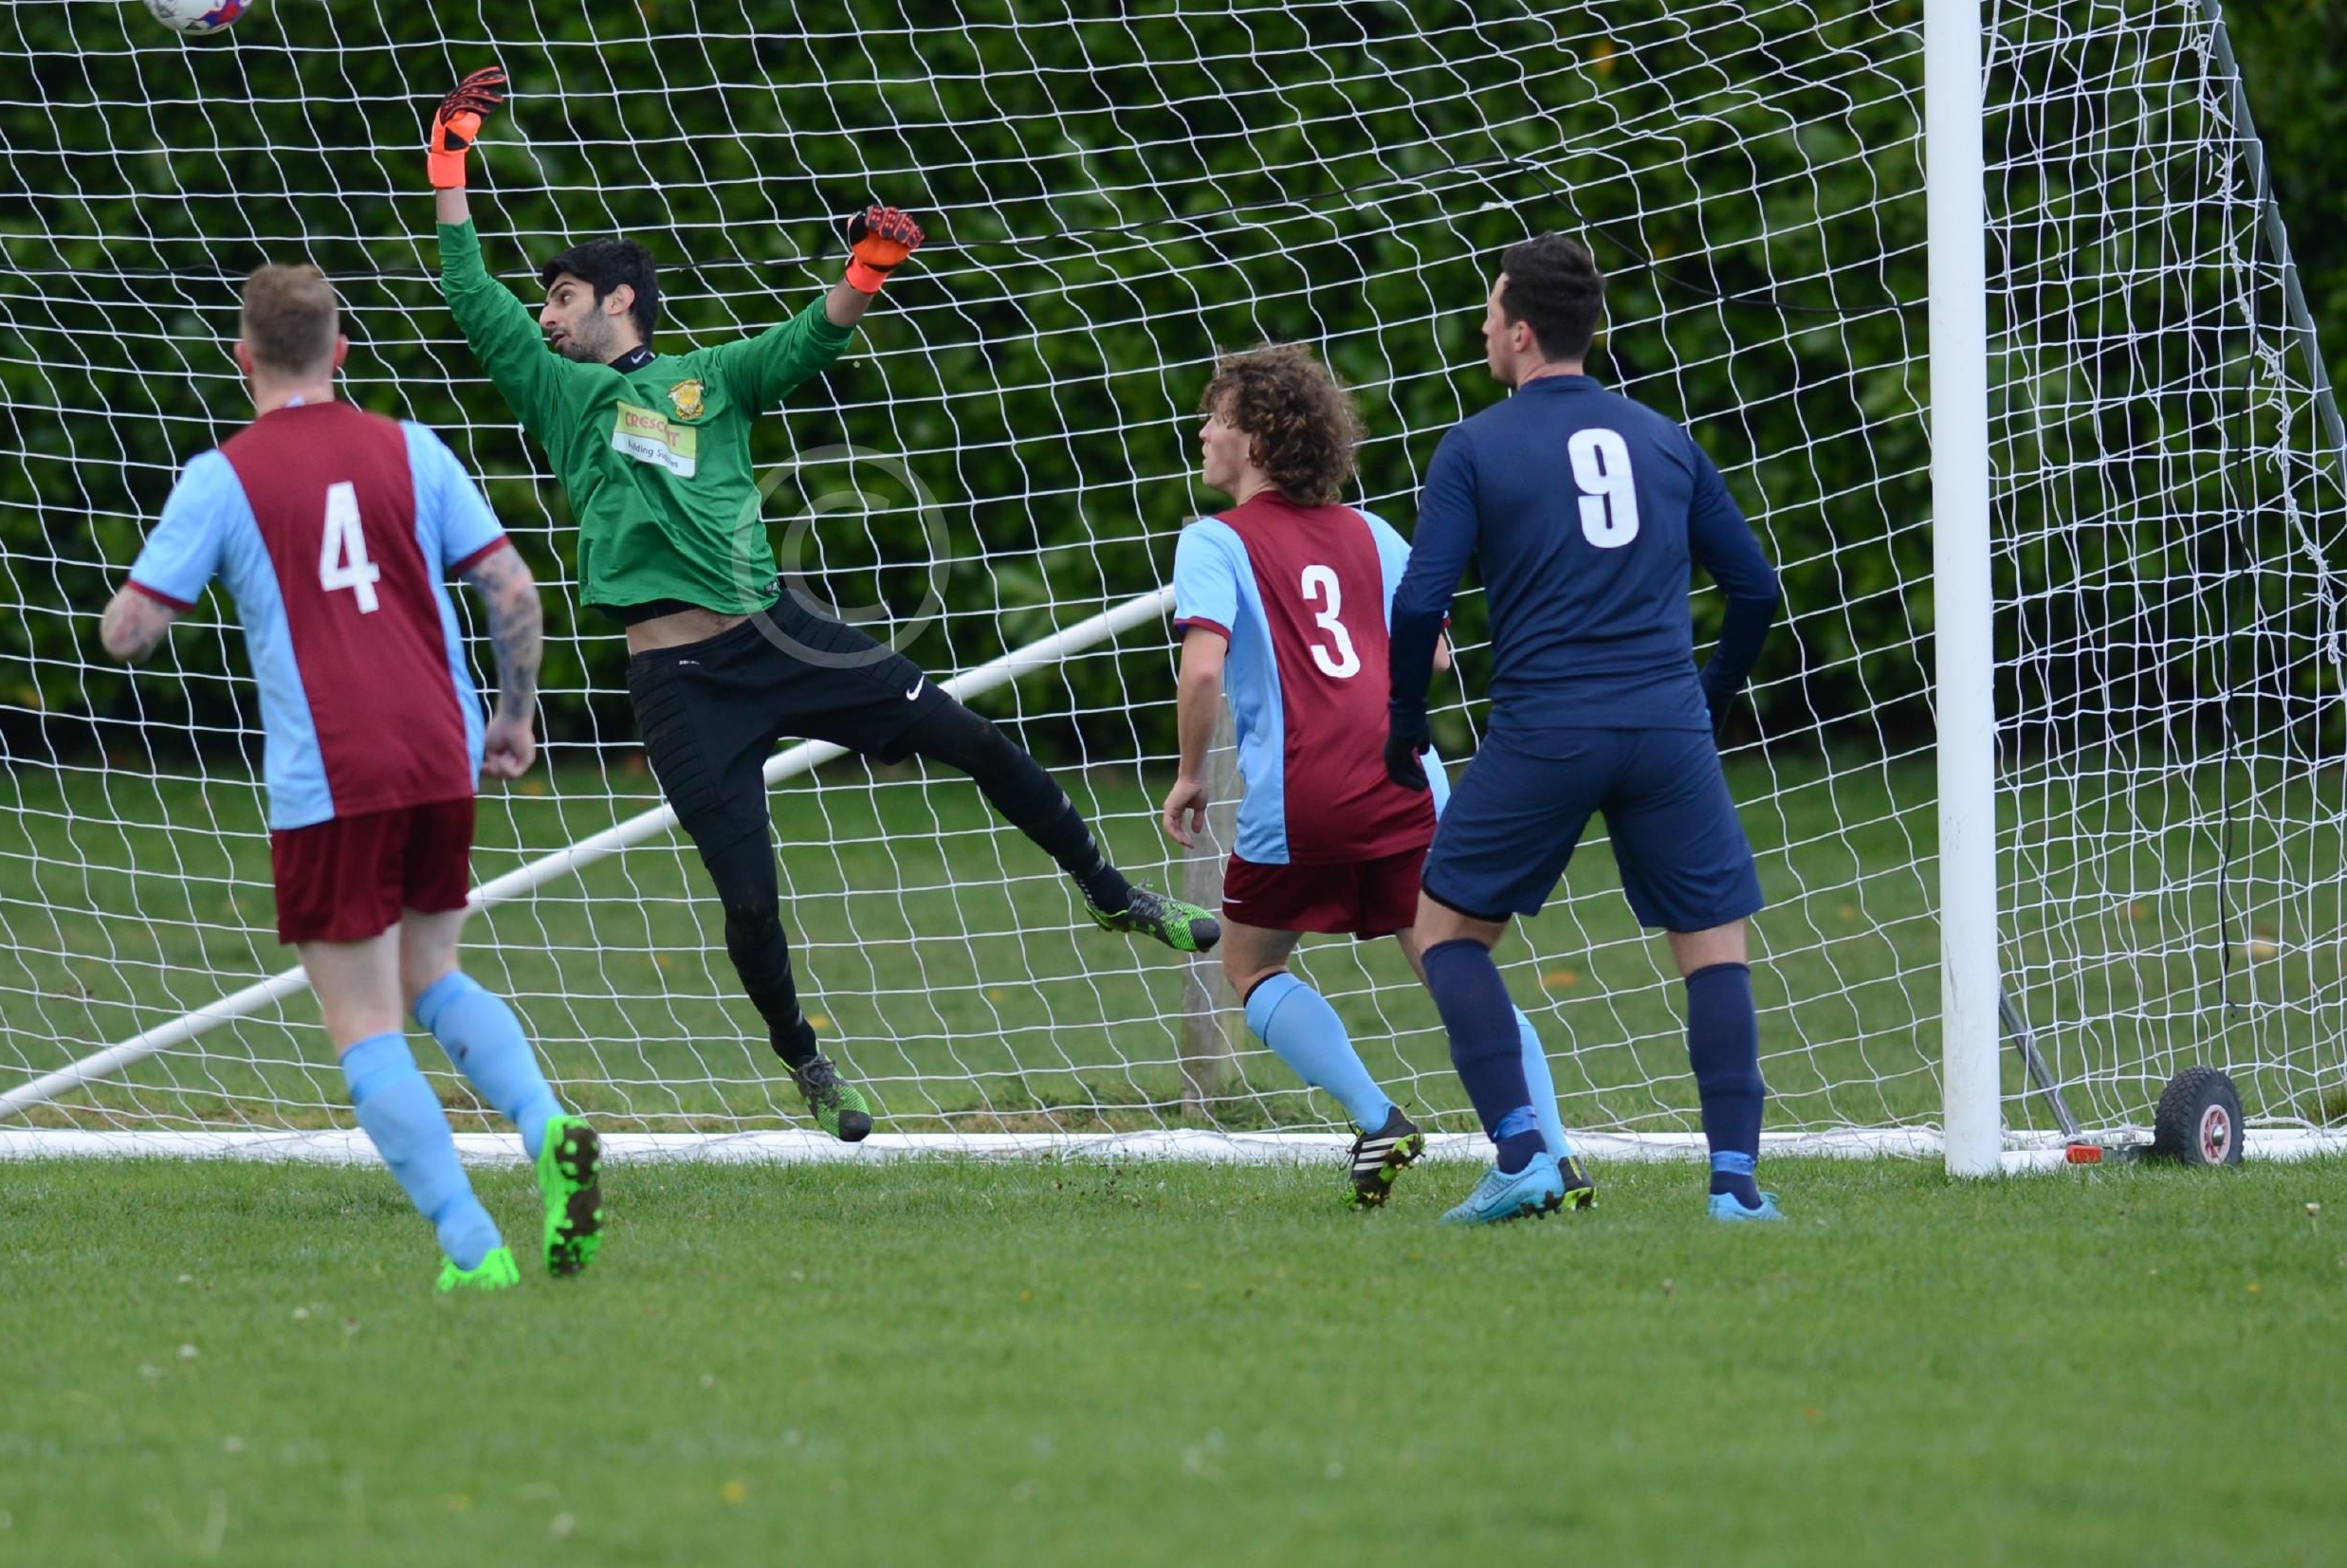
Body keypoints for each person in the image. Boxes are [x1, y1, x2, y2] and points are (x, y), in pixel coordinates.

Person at [420, 65, 1218, 1142]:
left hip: (781, 636)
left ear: (617, 299)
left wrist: (867, 269)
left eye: (560, 296)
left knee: (975, 740)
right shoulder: (556, 389)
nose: (542, 313)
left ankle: (1112, 892)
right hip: (680, 685)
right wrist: (451, 161)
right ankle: (805, 1059)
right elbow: (469, 292)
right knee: (749, 896)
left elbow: (808, 337)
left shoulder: (710, 379)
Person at [98, 263, 599, 1289]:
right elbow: (512, 587)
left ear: (243, 360)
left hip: (330, 770)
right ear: (340, 350)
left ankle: (473, 1248)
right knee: (431, 972)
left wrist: (144, 597)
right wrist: (511, 716)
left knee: (363, 1020)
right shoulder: (414, 448)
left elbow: (131, 631)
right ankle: (547, 1124)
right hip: (440, 748)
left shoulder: (222, 477)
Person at [1386, 235, 1783, 1224]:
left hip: (1544, 728)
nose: (1482, 327)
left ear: (1520, 332)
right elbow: (1754, 588)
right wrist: (1708, 698)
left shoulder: (1474, 446)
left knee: (1442, 932)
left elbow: (1418, 603)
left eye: (1489, 312)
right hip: (1665, 729)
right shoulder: (1662, 438)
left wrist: (1404, 718)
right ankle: (1734, 1185)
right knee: (1714, 951)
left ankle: (1522, 1151)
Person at [1161, 344, 1584, 1210]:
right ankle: (1553, 1155)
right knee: (1455, 968)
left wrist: (1189, 774)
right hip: (1408, 782)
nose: (1203, 433)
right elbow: (1435, 655)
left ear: (1257, 440)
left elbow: (1202, 671)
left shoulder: (1213, 539)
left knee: (1250, 965)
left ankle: (1377, 1118)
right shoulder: (1376, 533)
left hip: (1305, 794)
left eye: (1218, 418)